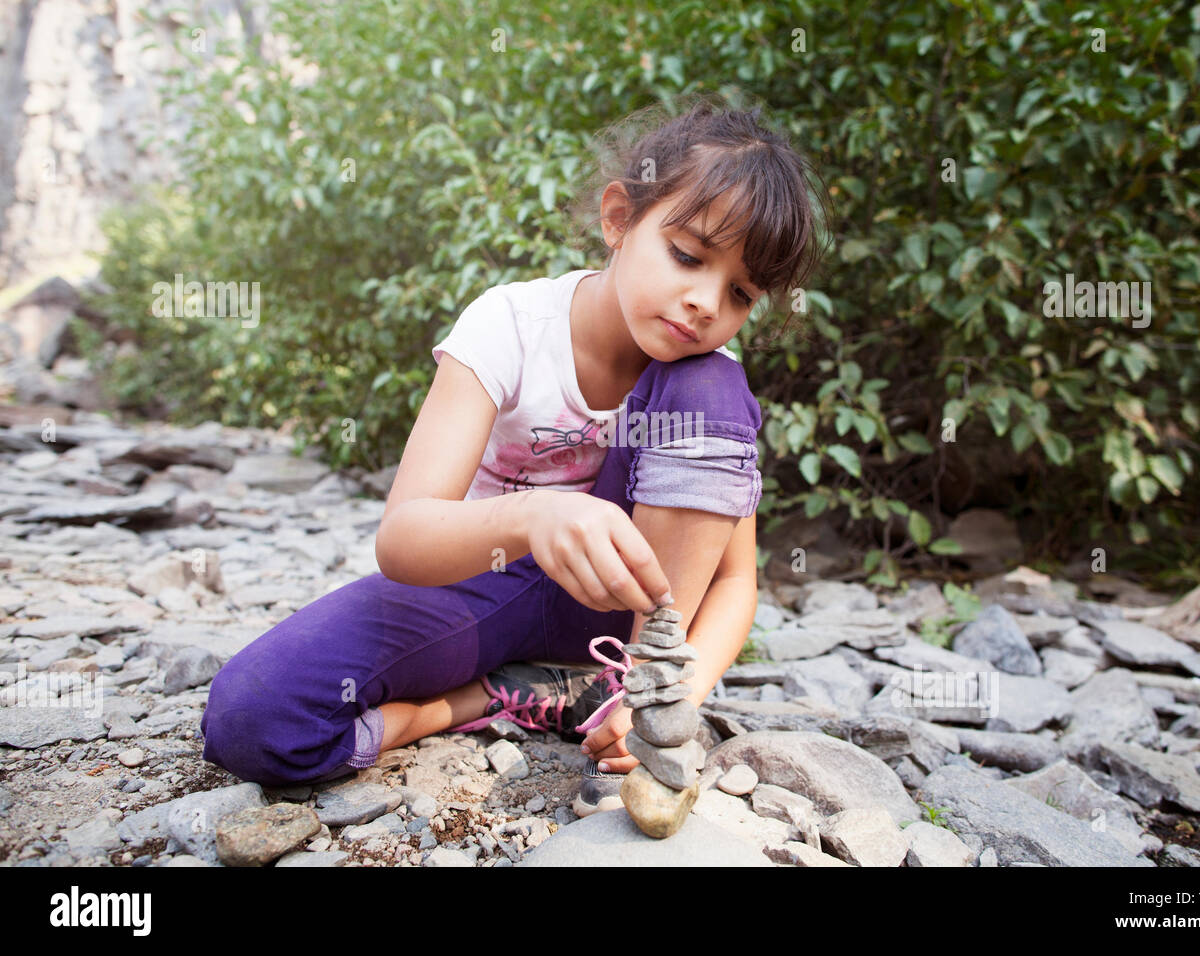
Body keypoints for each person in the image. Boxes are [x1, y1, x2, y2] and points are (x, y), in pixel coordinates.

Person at [200, 91, 831, 819]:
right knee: (256, 716)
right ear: (619, 218)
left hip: (620, 621)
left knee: (710, 385)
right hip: (482, 586)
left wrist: (665, 698)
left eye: (740, 293)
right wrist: (535, 517)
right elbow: (403, 538)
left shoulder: (703, 392)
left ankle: (629, 678)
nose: (704, 302)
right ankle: (498, 696)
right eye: (687, 256)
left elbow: (736, 582)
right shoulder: (509, 326)